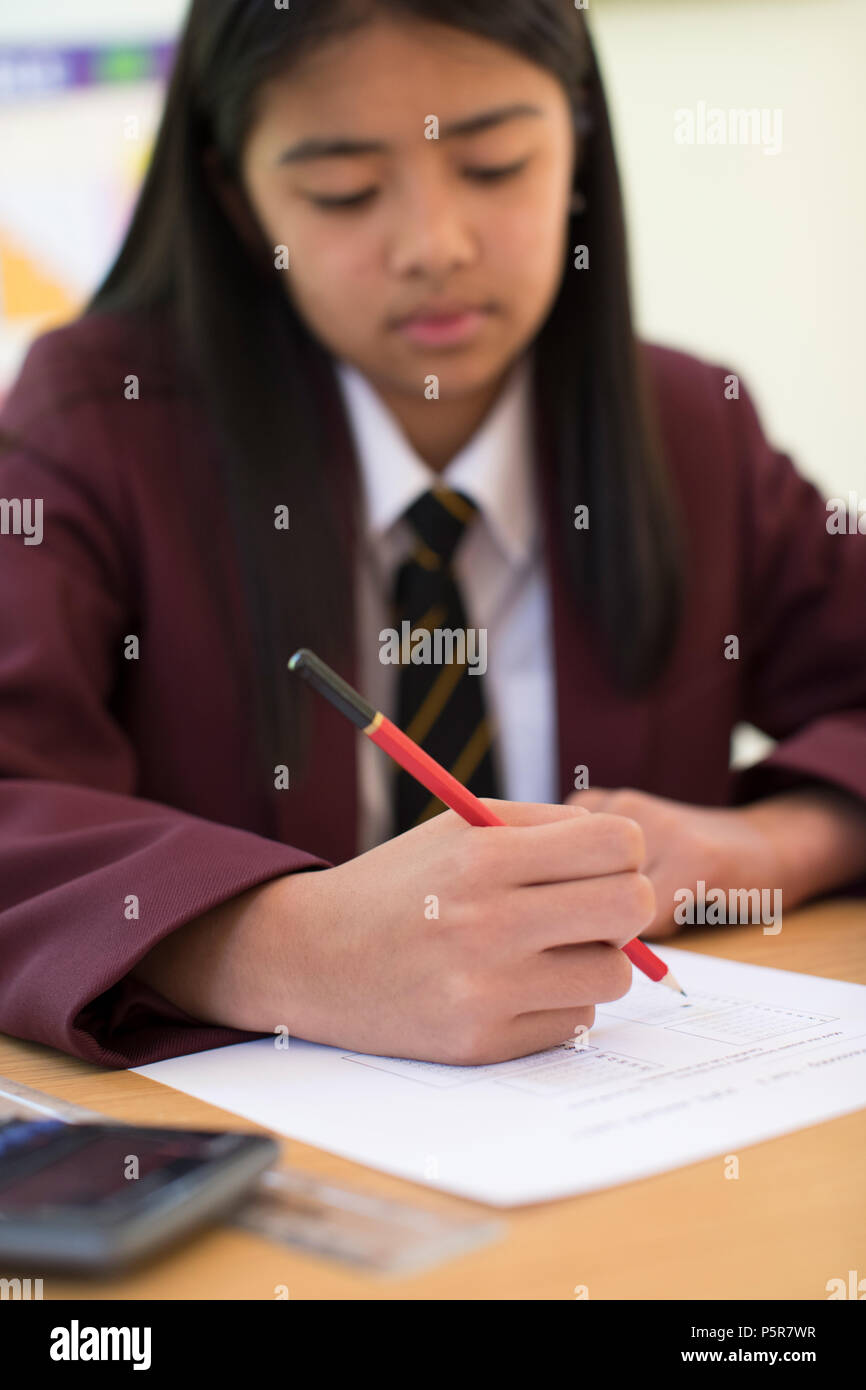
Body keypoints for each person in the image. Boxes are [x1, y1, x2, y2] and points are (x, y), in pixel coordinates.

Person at [1, 0, 864, 1070]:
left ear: (578, 146)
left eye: (496, 165)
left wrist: (770, 844)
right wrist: (275, 945)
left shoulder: (691, 425)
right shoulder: (96, 423)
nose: (434, 247)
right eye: (342, 190)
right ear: (235, 195)